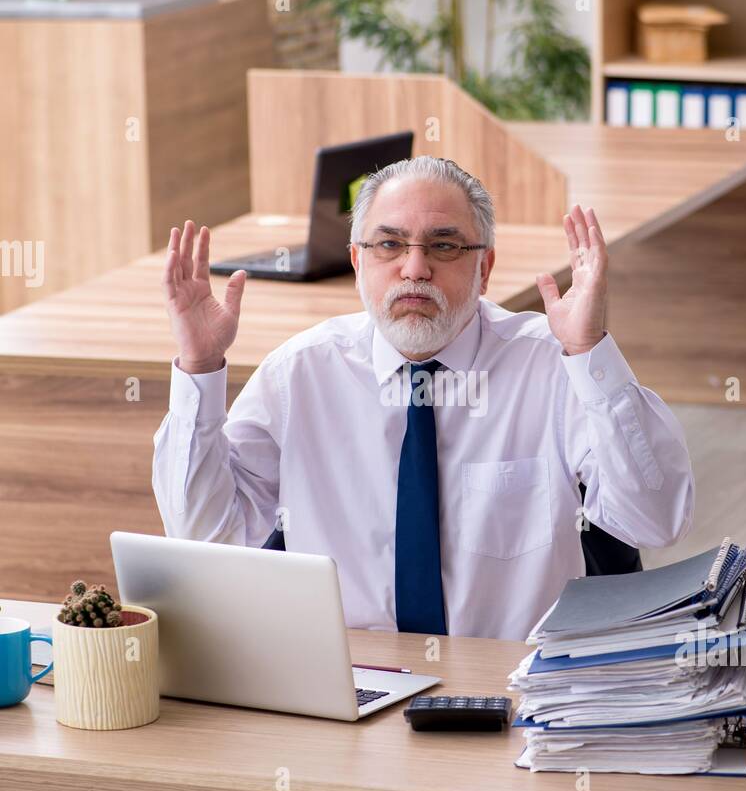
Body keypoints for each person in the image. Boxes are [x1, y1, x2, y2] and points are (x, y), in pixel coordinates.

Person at [152, 156, 694, 640]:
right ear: (358, 262)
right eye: (389, 244)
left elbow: (655, 521)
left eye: (444, 245)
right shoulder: (300, 375)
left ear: (484, 268)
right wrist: (199, 366)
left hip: (515, 684)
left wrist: (589, 350)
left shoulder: (551, 365)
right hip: (353, 683)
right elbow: (205, 535)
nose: (415, 268)